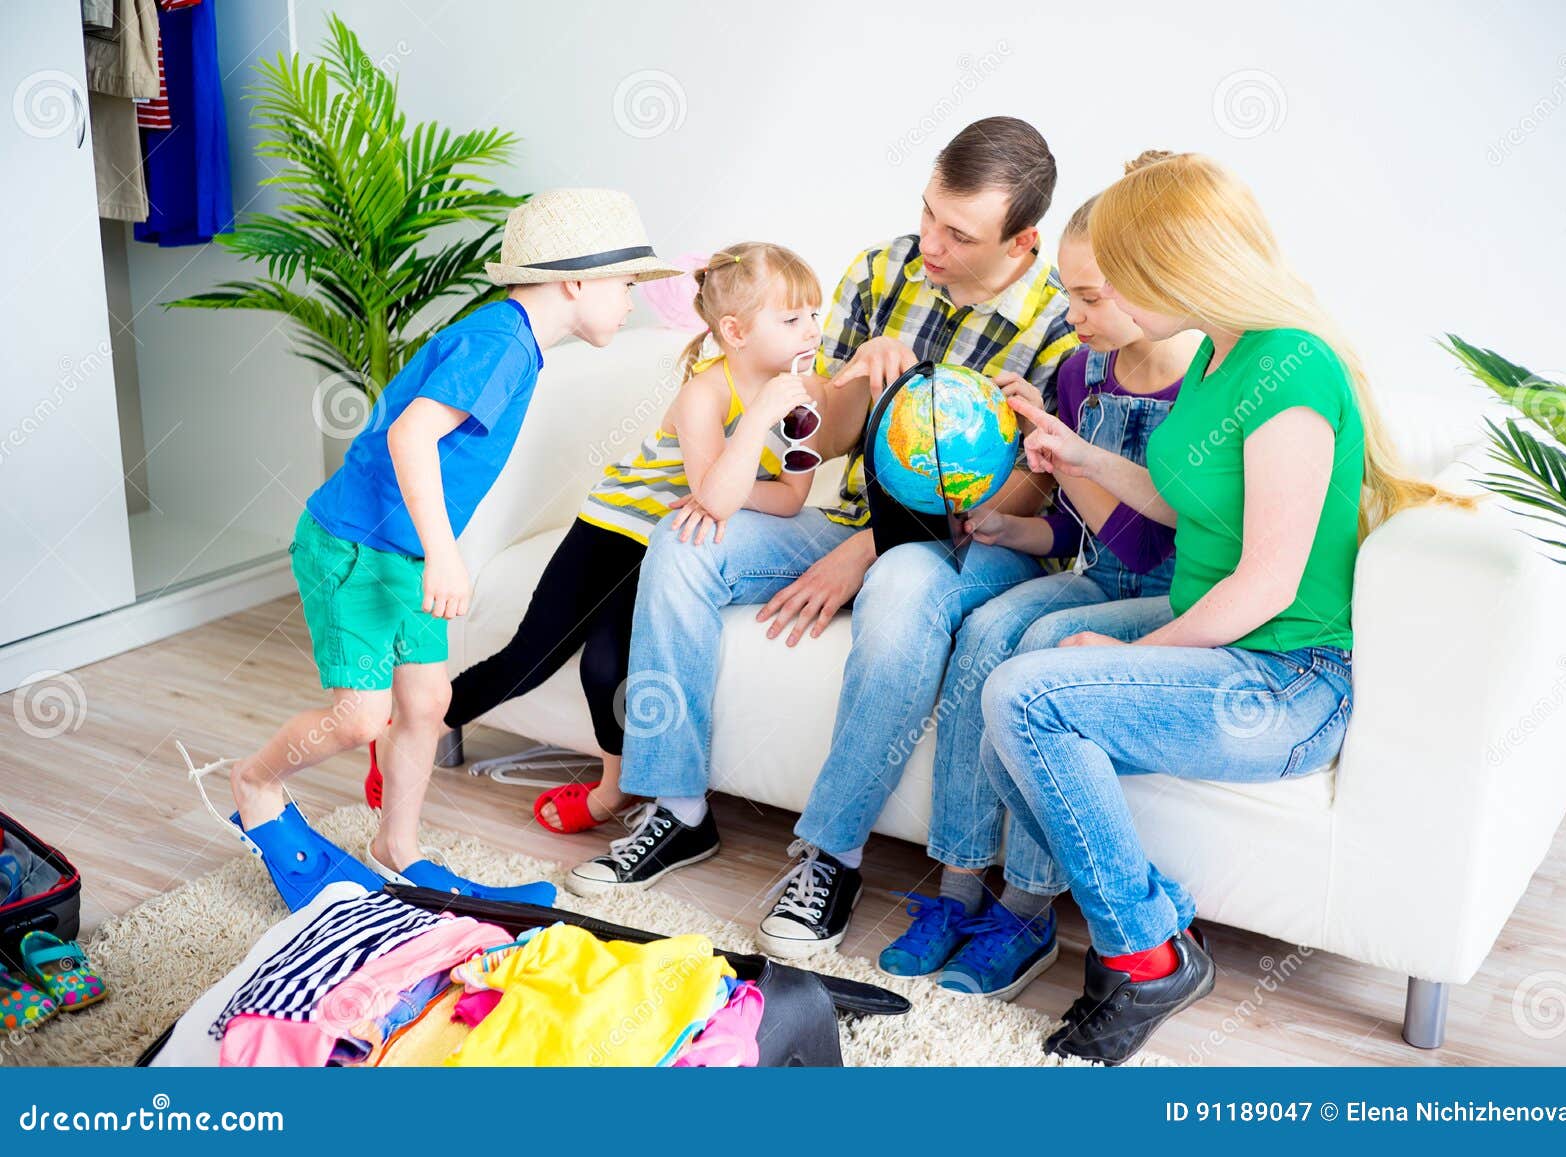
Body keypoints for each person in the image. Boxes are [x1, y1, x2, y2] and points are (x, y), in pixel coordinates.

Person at [989, 153, 1469, 1064]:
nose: (1115, 299)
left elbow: (1269, 583)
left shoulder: (1291, 364)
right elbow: (1193, 504)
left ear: (1179, 264)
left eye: (1127, 273)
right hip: (1228, 640)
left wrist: (1140, 654)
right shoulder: (1219, 354)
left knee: (1031, 696)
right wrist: (1082, 459)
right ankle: (1156, 919)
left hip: (1287, 675)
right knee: (1024, 661)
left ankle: (1147, 955)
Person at [565, 119, 1078, 956]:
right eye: (927, 215)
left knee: (905, 589)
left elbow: (1038, 485)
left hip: (979, 539)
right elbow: (825, 439)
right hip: (846, 516)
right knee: (687, 540)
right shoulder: (885, 268)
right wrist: (844, 381)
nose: (931, 244)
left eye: (959, 233)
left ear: (1022, 240)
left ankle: (831, 855)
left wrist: (875, 546)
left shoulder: (1060, 320)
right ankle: (678, 809)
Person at [215, 189, 681, 910]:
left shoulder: (517, 345)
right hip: (354, 547)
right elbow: (409, 435)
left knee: (428, 703)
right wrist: (444, 552)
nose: (631, 304)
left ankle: (396, 847)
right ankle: (256, 781)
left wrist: (429, 549)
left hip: (400, 553)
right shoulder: (499, 345)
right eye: (626, 285)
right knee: (363, 717)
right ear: (577, 281)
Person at [875, 153, 1203, 999]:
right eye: (1067, 290)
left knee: (1042, 647)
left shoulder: (1208, 387)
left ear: (1156, 280)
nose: (1072, 312)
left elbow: (1143, 541)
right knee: (985, 630)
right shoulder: (1078, 370)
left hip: (1166, 593)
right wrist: (1013, 520)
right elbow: (1071, 525)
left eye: (1091, 298)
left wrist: (1068, 451)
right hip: (1095, 574)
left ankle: (1026, 908)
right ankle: (954, 889)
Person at [371, 243, 824, 835]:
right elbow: (714, 495)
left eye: (815, 314)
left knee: (607, 667)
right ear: (735, 331)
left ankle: (617, 790)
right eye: (792, 319)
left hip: (670, 550)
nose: (811, 330)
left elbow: (788, 499)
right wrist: (739, 457)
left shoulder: (802, 397)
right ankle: (408, 733)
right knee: (530, 658)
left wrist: (727, 489)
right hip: (613, 528)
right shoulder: (706, 394)